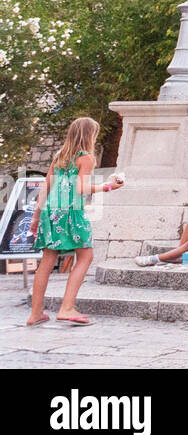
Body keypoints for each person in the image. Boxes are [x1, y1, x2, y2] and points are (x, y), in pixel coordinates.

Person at [27, 117, 124, 326]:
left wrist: (36, 216)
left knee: (47, 261)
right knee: (85, 257)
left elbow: (46, 187)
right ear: (90, 135)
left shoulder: (59, 155)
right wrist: (107, 187)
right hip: (72, 212)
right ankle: (67, 307)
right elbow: (81, 189)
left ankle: (35, 313)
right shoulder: (86, 158)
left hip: (50, 212)